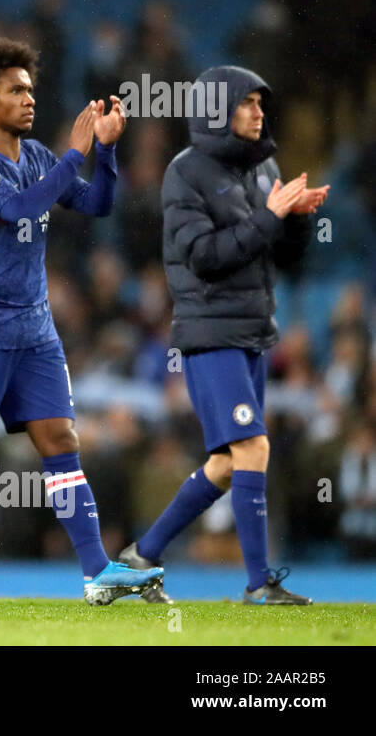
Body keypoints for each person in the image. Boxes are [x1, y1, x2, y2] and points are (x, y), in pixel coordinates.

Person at [0, 37, 162, 606]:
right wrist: (75, 152)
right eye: (15, 90)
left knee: (60, 440)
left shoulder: (40, 158)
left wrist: (107, 152)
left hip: (35, 329)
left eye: (30, 89)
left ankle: (97, 572)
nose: (28, 99)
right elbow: (22, 208)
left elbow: (95, 205)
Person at [118, 66, 327, 605]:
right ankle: (259, 585)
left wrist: (295, 219)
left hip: (255, 331)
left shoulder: (264, 169)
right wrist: (270, 216)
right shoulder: (184, 173)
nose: (260, 112)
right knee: (253, 445)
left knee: (228, 462)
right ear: (217, 109)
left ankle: (142, 557)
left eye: (261, 103)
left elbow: (284, 257)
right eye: (248, 103)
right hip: (210, 332)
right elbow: (205, 258)